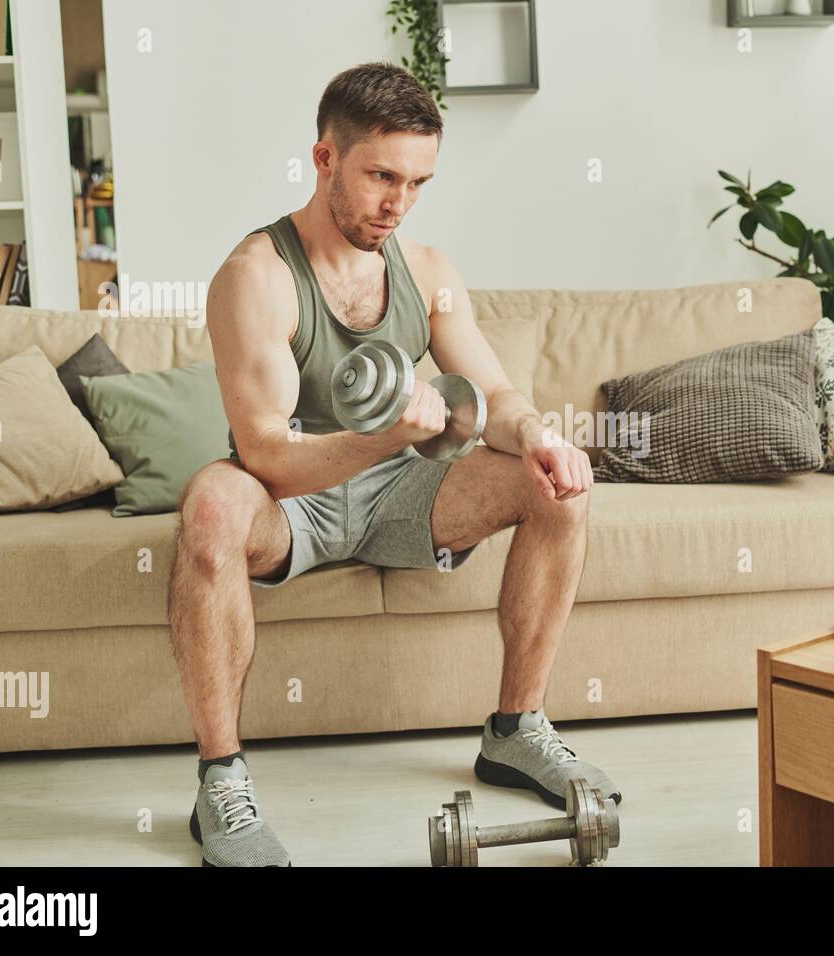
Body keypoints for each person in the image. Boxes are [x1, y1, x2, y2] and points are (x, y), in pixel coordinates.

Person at [168, 62, 618, 867]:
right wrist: (384, 436)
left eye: (417, 183)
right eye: (381, 176)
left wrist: (540, 437)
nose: (397, 204)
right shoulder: (257, 276)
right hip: (290, 502)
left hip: (402, 495)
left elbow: (496, 392)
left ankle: (516, 731)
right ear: (324, 158)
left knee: (555, 489)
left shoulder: (429, 273)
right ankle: (220, 783)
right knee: (210, 503)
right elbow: (268, 449)